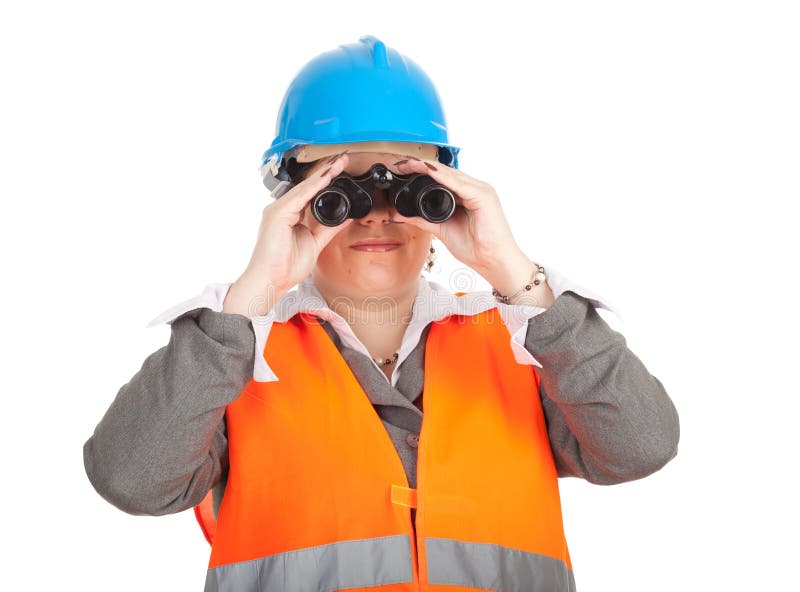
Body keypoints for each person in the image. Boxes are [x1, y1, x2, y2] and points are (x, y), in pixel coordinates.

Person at [83, 35, 680, 591]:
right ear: (293, 199)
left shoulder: (524, 340)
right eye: (341, 188)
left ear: (446, 189)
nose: (375, 213)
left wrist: (514, 273)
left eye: (404, 185)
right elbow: (131, 480)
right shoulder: (233, 355)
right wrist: (252, 296)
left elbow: (639, 446)